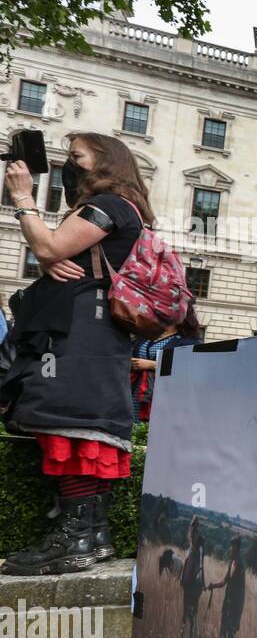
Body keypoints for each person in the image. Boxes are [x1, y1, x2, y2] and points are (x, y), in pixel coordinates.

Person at [1, 133, 151, 574]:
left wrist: (24, 198)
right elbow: (55, 253)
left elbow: (49, 245)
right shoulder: (121, 209)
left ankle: (74, 539)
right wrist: (50, 258)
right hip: (89, 334)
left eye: (76, 157)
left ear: (105, 163)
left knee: (70, 425)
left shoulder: (111, 204)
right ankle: (92, 535)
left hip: (80, 337)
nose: (69, 165)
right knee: (76, 429)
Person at [130, 306, 204, 423]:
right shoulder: (146, 335)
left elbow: (189, 369)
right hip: (135, 392)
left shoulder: (187, 341)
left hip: (163, 396)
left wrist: (153, 365)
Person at [206, 534, 248, 638]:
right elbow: (224, 581)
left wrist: (237, 617)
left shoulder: (240, 567)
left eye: (233, 546)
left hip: (234, 608)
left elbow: (242, 594)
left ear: (238, 548)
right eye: (231, 546)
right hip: (227, 605)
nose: (231, 549)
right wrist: (213, 585)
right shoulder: (231, 563)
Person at [179, 516, 206, 638]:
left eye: (196, 525)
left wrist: (202, 575)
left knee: (193, 610)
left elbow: (201, 559)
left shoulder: (200, 539)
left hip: (193, 573)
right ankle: (184, 632)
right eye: (193, 525)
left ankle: (189, 634)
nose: (194, 528)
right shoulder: (191, 539)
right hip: (188, 575)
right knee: (186, 608)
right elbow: (188, 558)